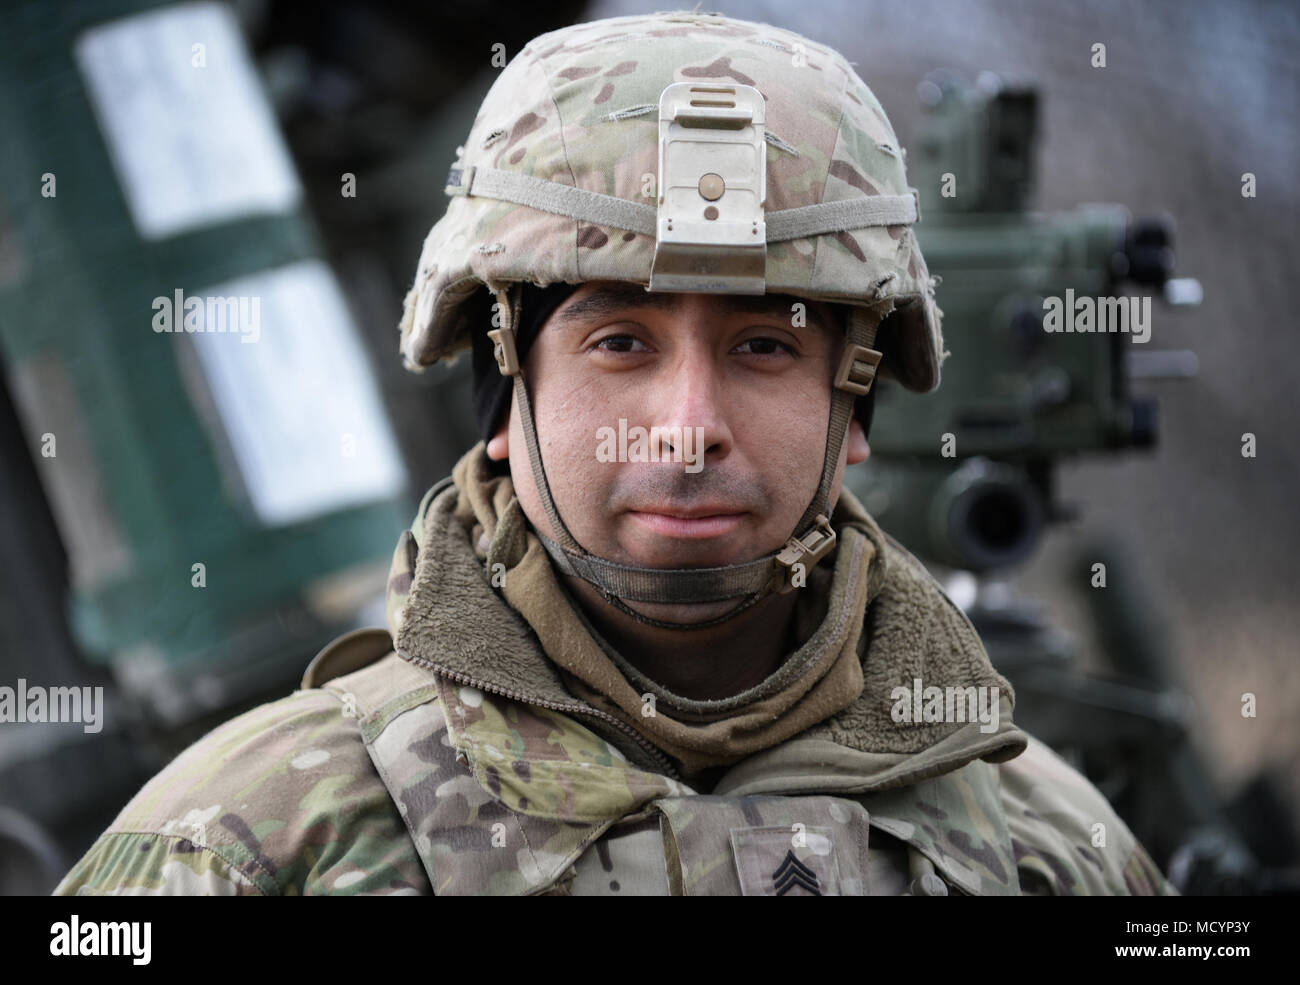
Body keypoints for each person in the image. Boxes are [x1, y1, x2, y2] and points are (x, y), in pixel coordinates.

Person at [54, 9, 1174, 896]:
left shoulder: (1044, 849)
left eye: (763, 347)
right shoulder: (248, 845)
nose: (688, 426)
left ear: (857, 406)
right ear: (502, 394)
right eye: (619, 341)